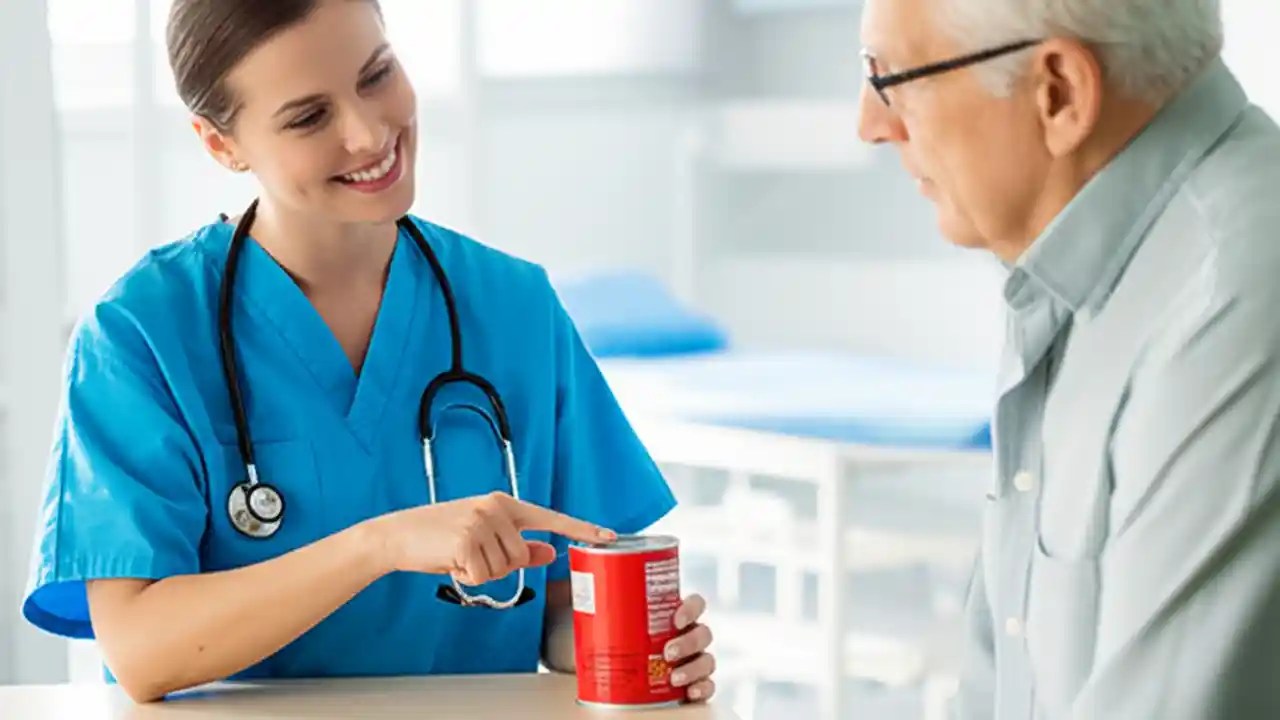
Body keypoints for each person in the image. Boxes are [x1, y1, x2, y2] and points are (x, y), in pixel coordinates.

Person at [21, 0, 716, 705]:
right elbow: (141, 648)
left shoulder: (515, 307)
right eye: (308, 117)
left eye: (376, 74)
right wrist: (380, 546)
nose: (369, 133)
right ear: (221, 144)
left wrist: (646, 649)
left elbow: (562, 605)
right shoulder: (142, 333)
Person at [858, 0, 1280, 718]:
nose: (871, 124)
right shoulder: (1068, 275)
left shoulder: (1229, 296)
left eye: (893, 78)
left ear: (1058, 92)